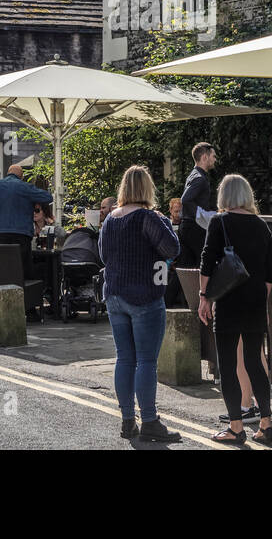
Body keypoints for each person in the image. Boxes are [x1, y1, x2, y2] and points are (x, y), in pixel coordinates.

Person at [98, 164, 182, 443]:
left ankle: (126, 421)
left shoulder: (110, 219)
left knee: (124, 358)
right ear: (147, 189)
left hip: (114, 296)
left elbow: (103, 255)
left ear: (123, 189)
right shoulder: (149, 218)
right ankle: (149, 421)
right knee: (146, 360)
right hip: (145, 296)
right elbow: (173, 248)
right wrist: (164, 222)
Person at [198, 174, 272, 445]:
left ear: (224, 196)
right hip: (255, 301)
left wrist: (203, 297)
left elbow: (207, 260)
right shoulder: (261, 225)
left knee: (228, 365)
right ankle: (266, 425)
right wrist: (262, 302)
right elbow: (270, 270)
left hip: (229, 301)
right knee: (255, 361)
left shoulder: (219, 222)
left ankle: (236, 427)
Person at [0, 164, 54, 300]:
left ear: (8, 173)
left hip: (1, 234)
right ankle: (28, 310)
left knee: (4, 271)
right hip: (21, 235)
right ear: (22, 176)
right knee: (24, 271)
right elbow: (48, 197)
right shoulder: (24, 187)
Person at [166, 142, 217, 307]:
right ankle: (201, 304)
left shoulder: (193, 174)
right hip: (195, 228)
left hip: (187, 227)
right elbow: (186, 199)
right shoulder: (200, 179)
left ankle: (168, 304)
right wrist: (203, 215)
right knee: (203, 265)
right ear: (204, 157)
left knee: (184, 268)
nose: (215, 159)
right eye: (213, 156)